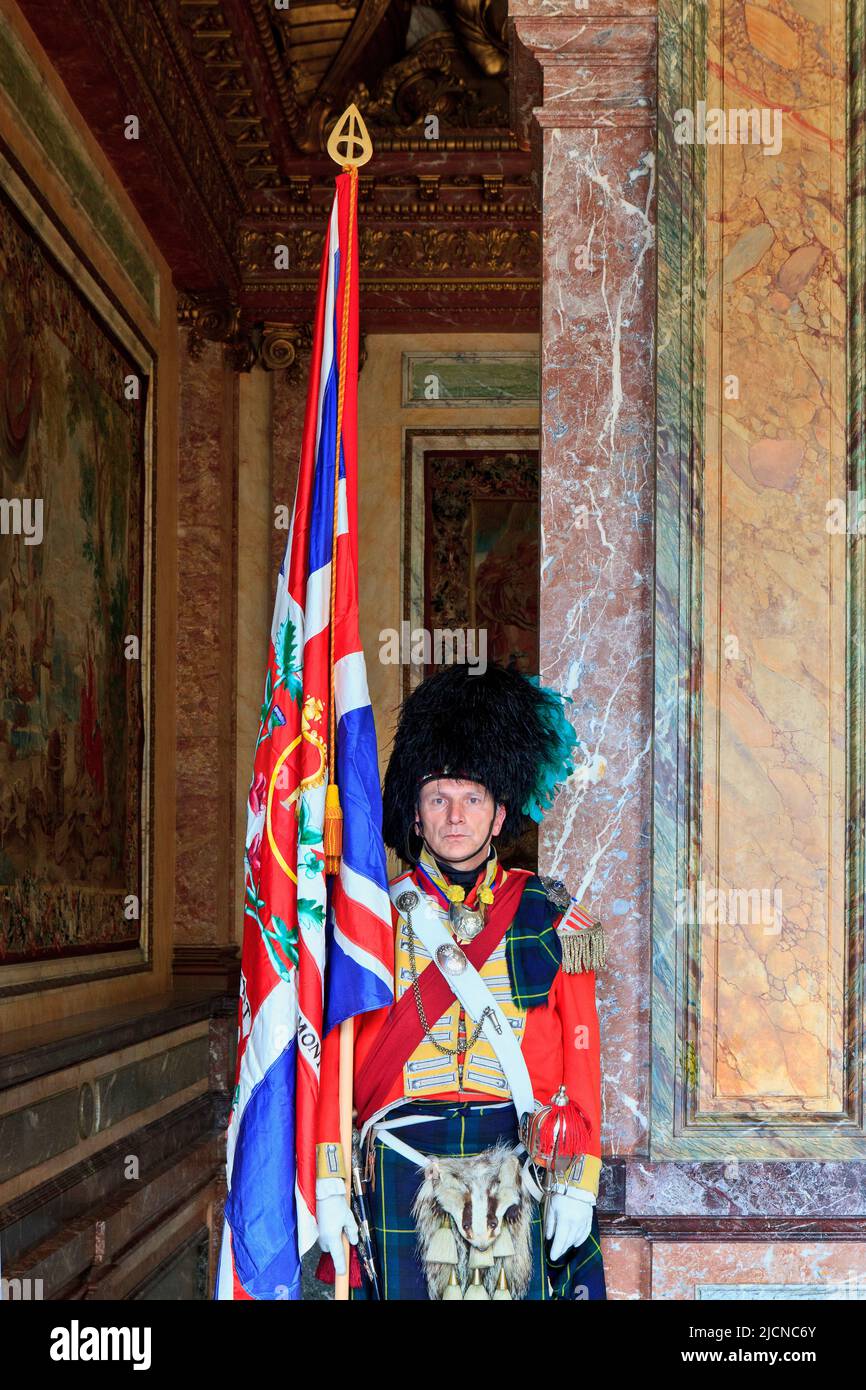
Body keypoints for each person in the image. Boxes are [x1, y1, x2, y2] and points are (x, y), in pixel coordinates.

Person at [314, 661, 606, 1300]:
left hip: (518, 1161)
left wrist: (579, 1180)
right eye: (437, 798)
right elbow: (336, 1052)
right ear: (414, 814)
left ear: (500, 813)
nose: (455, 816)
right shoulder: (372, 921)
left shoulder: (551, 916)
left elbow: (583, 1054)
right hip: (398, 1160)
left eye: (473, 798)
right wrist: (330, 1179)